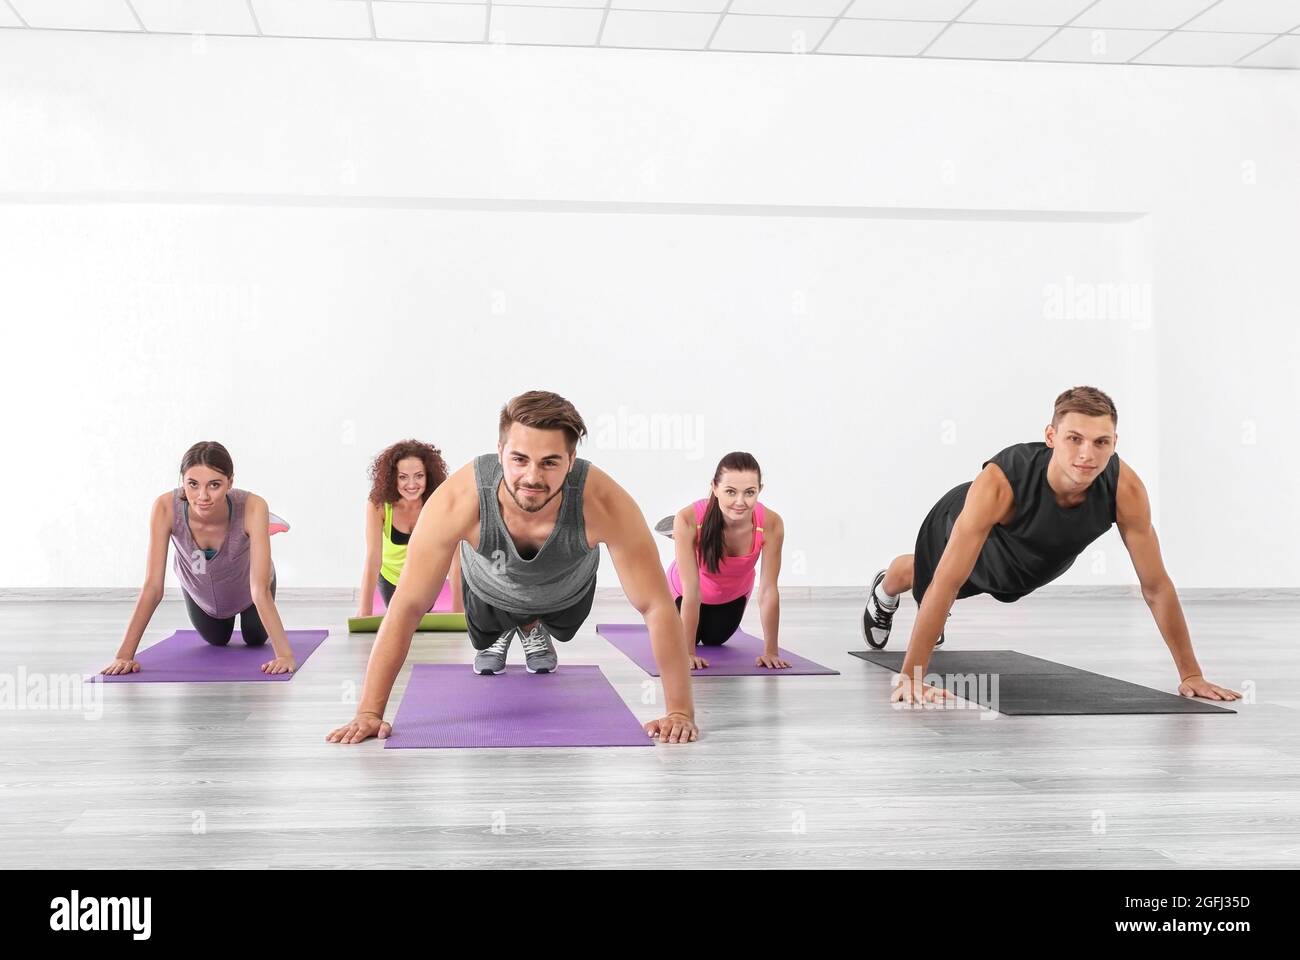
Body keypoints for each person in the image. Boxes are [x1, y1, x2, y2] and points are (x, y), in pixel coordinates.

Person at [327, 390, 698, 744]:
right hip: (489, 595)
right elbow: (407, 605)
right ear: (500, 451)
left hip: (566, 597)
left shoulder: (604, 503)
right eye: (519, 459)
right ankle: (512, 627)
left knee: (556, 616)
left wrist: (679, 712)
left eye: (550, 462)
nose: (532, 477)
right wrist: (369, 712)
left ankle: (533, 625)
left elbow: (656, 605)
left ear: (571, 461)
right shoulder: (459, 499)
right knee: (487, 630)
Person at [863, 386, 1241, 706]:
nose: (1086, 455)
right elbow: (946, 579)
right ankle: (886, 590)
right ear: (1050, 437)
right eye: (1074, 438)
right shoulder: (1000, 481)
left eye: (1100, 442)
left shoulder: (1125, 489)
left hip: (1034, 560)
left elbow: (1156, 586)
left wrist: (1191, 674)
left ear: (1114, 443)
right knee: (932, 579)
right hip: (962, 528)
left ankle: (924, 597)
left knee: (981, 583)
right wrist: (912, 675)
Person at [102, 441, 295, 676]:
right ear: (182, 481)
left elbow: (258, 590)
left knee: (254, 638)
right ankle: (232, 554)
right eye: (193, 485)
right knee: (217, 639)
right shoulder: (165, 507)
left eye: (214, 485)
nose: (202, 496)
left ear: (230, 483)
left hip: (247, 585)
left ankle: (258, 531)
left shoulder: (254, 505)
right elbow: (152, 587)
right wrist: (123, 656)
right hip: (200, 586)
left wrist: (284, 655)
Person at [666, 452, 788, 669]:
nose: (740, 502)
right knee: (679, 641)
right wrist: (687, 653)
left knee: (715, 639)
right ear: (714, 487)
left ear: (760, 489)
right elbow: (692, 590)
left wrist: (771, 651)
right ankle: (679, 536)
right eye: (730, 492)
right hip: (685, 592)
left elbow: (768, 590)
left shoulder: (771, 523)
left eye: (749, 492)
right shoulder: (686, 518)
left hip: (731, 595)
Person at [355, 440, 462, 617]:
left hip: (427, 579)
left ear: (428, 476)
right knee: (400, 612)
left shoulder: (440, 504)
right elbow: (373, 558)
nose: (412, 484)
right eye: (403, 477)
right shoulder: (378, 506)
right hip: (391, 579)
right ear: (392, 478)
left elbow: (455, 561)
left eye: (419, 476)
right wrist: (364, 612)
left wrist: (459, 612)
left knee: (417, 610)